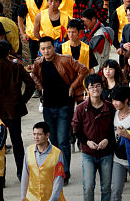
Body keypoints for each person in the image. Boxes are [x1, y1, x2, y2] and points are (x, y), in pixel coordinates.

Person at [0, 41, 36, 180]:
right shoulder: (16, 67)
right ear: (9, 51)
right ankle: (22, 174)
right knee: (17, 142)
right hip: (13, 109)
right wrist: (23, 100)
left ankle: (0, 176)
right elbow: (30, 85)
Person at [31, 35, 88, 167]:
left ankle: (65, 172)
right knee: (53, 140)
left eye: (49, 48)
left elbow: (83, 70)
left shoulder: (65, 59)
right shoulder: (38, 63)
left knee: (63, 140)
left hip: (64, 105)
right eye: (43, 49)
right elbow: (33, 74)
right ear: (40, 50)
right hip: (48, 106)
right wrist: (40, 88)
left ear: (54, 47)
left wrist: (73, 86)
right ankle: (56, 168)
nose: (46, 51)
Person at [72, 73, 115, 200]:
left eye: (98, 86)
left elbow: (115, 128)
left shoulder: (110, 107)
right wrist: (86, 142)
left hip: (106, 153)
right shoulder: (81, 108)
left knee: (106, 187)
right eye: (92, 87)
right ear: (87, 89)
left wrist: (108, 140)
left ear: (102, 88)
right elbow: (76, 129)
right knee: (88, 186)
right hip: (88, 154)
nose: (95, 89)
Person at [20, 121, 68, 201]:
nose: (36, 137)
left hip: (51, 198)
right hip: (32, 198)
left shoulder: (57, 153)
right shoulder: (29, 150)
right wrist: (23, 196)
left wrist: (53, 199)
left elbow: (58, 180)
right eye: (34, 134)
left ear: (47, 135)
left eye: (39, 134)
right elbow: (25, 174)